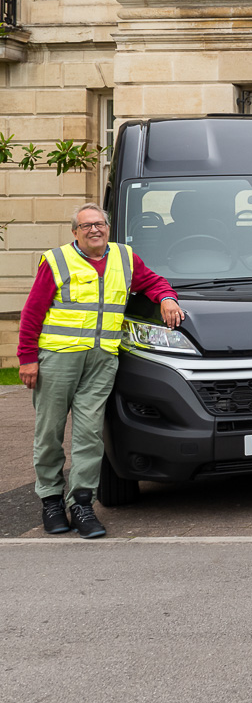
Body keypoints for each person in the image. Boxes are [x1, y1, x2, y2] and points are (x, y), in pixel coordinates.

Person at [17, 203, 185, 538]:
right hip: (58, 359)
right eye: (86, 225)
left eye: (100, 224)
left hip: (102, 361)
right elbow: (33, 311)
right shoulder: (57, 260)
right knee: (49, 433)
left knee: (89, 435)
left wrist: (167, 298)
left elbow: (152, 281)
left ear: (108, 227)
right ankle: (51, 501)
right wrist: (27, 358)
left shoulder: (124, 257)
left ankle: (82, 504)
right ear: (75, 232)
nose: (95, 229)